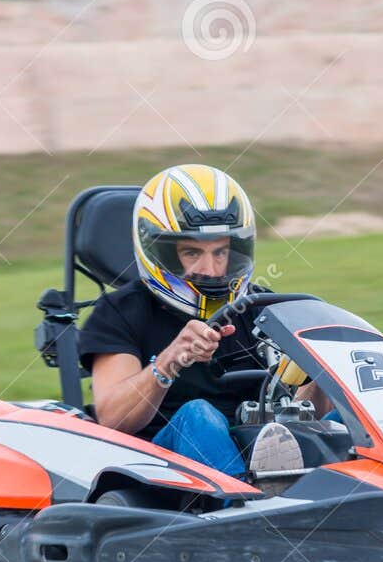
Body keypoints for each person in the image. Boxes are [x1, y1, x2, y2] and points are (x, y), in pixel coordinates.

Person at [77, 165, 324, 484]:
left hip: (259, 450)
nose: (210, 269)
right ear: (159, 251)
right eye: (192, 252)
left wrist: (319, 372)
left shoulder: (264, 308)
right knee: (199, 416)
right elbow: (113, 418)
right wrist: (169, 361)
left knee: (338, 422)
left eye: (221, 251)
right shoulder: (119, 312)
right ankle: (245, 506)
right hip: (154, 468)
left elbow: (306, 414)